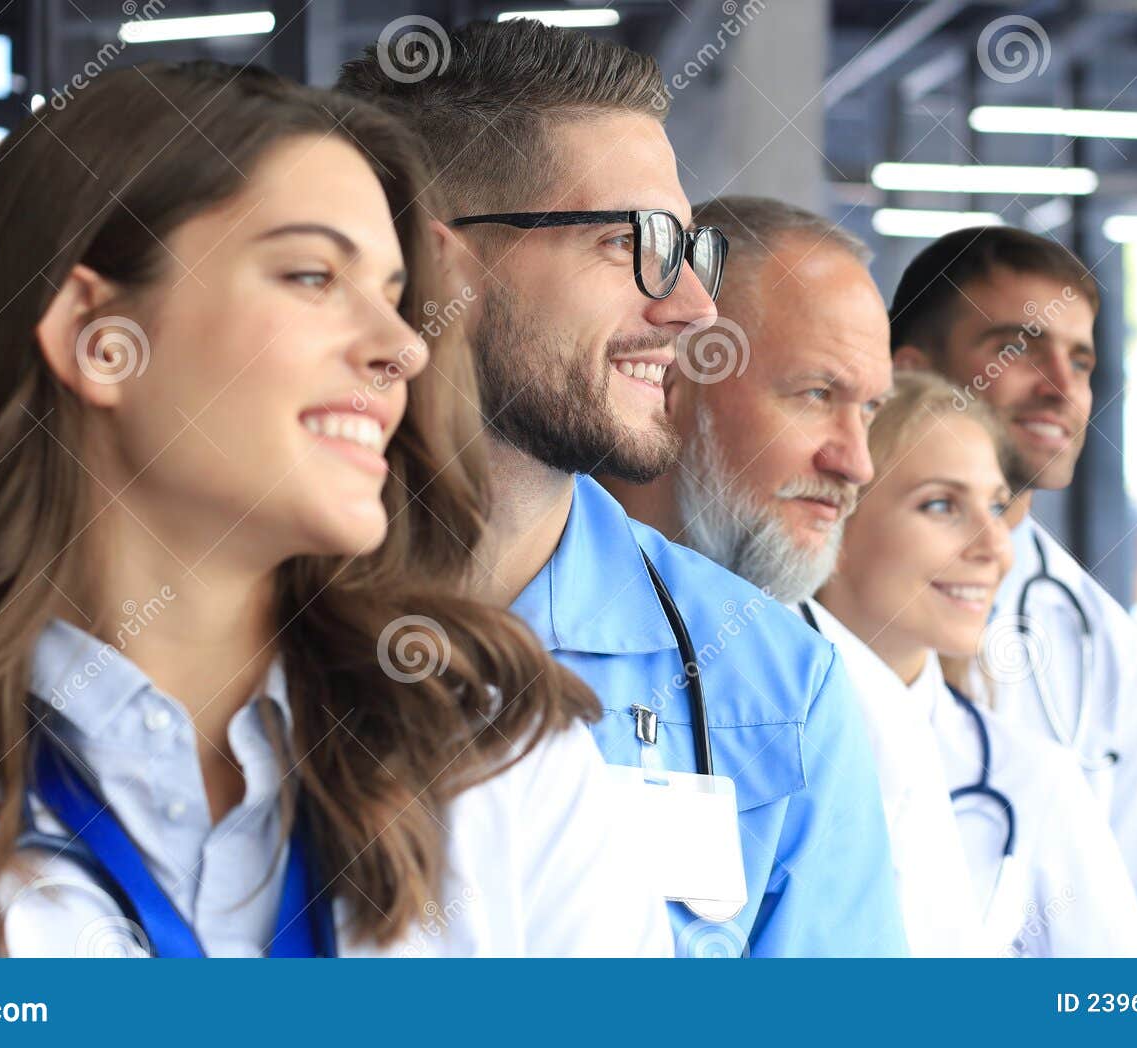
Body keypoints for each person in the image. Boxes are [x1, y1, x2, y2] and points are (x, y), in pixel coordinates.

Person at [0, 62, 672, 959]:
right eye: (314, 276)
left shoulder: (505, 778)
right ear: (99, 338)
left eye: (396, 298)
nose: (402, 346)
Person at [338, 21, 906, 957]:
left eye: (692, 250)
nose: (693, 307)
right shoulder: (236, 621)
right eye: (633, 242)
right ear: (442, 267)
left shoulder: (769, 687)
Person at [603, 195, 980, 955]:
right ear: (672, 377)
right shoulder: (495, 611)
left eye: (869, 409)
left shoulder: (843, 707)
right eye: (816, 396)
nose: (856, 462)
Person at [889, 227, 1137, 956]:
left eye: (1081, 360)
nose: (1061, 387)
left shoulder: (1119, 663)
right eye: (1017, 346)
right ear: (912, 372)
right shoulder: (785, 605)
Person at [818, 372, 1137, 957]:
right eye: (942, 505)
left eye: (996, 506)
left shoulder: (1032, 780)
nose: (995, 547)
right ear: (834, 519)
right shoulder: (736, 737)